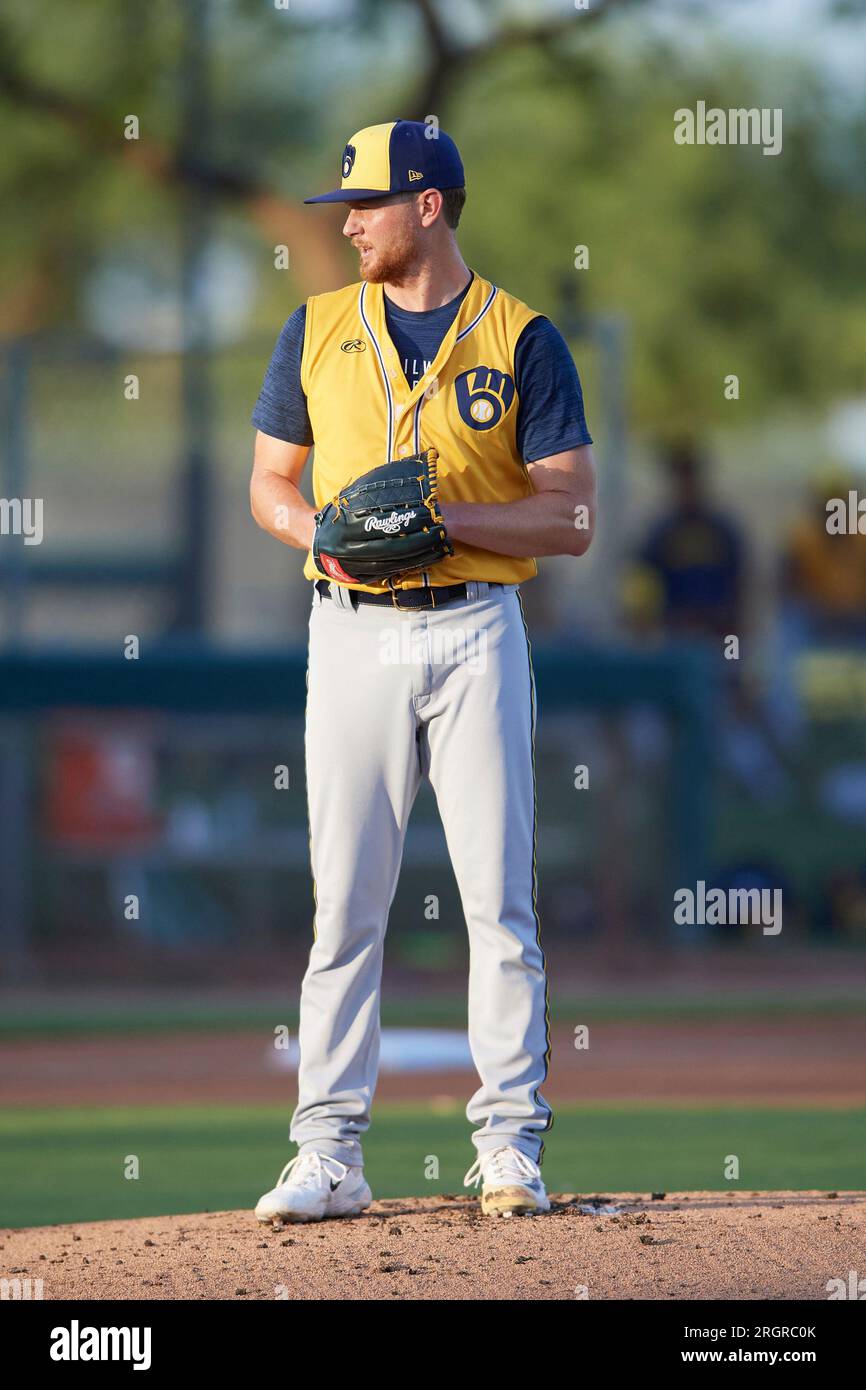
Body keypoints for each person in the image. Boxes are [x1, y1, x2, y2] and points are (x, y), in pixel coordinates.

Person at [249, 120, 596, 1223]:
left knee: (498, 900)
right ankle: (329, 1152)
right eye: (343, 205)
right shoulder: (313, 328)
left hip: (474, 628)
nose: (345, 220)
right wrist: (317, 538)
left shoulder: (520, 337)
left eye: (365, 202)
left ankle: (507, 1146)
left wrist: (448, 522)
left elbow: (572, 513)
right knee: (343, 902)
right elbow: (267, 483)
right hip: (350, 626)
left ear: (430, 205)